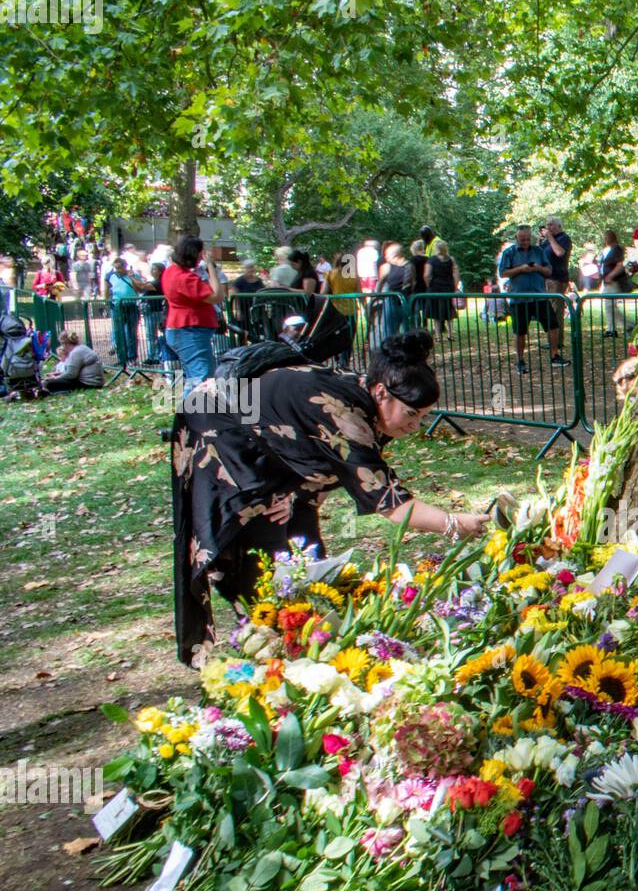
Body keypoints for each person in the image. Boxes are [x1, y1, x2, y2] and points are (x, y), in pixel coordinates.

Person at [170, 330, 489, 665]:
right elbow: (392, 505)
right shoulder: (347, 416)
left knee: (306, 548)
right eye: (412, 414)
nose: (416, 426)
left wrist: (294, 494)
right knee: (260, 551)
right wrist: (455, 524)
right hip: (220, 429)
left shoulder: (371, 405)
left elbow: (322, 458)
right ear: (381, 392)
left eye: (423, 416)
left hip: (265, 437)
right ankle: (267, 650)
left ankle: (306, 642)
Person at [163, 233, 224, 396]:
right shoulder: (184, 278)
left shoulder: (171, 271)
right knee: (202, 378)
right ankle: (192, 411)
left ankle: (189, 411)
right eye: (200, 253)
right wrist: (211, 267)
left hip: (185, 330)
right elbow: (217, 296)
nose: (201, 257)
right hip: (189, 332)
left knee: (195, 378)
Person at [498, 224, 559, 375]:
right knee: (520, 331)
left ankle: (555, 356)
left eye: (527, 239)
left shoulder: (538, 251)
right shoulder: (509, 252)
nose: (525, 242)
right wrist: (520, 269)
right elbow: (503, 273)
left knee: (553, 325)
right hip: (519, 298)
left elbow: (549, 271)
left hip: (540, 296)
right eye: (522, 239)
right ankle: (520, 361)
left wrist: (538, 268)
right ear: (516, 238)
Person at [539, 215, 572, 366]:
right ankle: (552, 340)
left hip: (557, 279)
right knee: (549, 311)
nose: (548, 227)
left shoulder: (564, 238)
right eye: (547, 225)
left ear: (558, 226)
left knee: (556, 310)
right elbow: (539, 254)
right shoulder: (547, 240)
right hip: (546, 279)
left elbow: (559, 253)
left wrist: (550, 238)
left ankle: (557, 341)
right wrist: (540, 241)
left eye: (551, 224)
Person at [103, 256, 144, 366]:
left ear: (125, 267)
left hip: (131, 305)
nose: (118, 270)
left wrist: (132, 278)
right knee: (118, 332)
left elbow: (140, 288)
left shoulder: (133, 275)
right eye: (116, 268)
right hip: (117, 307)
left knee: (131, 332)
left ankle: (132, 357)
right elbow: (106, 290)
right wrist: (106, 303)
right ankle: (122, 357)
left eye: (120, 268)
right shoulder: (111, 276)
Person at [326, 250, 361, 368]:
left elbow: (323, 292)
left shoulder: (330, 274)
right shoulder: (354, 276)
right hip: (351, 311)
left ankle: (336, 359)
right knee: (349, 337)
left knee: (336, 336)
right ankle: (344, 362)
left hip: (335, 310)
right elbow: (360, 294)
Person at [599, 228, 632, 336]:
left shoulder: (617, 249)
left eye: (606, 237)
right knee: (608, 306)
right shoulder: (610, 250)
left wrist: (610, 275)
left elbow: (620, 265)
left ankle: (629, 325)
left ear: (611, 238)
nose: (604, 239)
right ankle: (611, 329)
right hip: (608, 282)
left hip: (614, 282)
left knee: (610, 306)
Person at [424, 239, 459, 340]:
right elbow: (456, 274)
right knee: (449, 311)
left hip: (435, 288)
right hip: (448, 288)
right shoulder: (451, 259)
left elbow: (426, 275)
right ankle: (450, 334)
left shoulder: (431, 260)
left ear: (436, 248)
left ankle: (438, 336)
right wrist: (455, 286)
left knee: (436, 312)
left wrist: (428, 285)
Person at [377, 243, 411, 339]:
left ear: (394, 255)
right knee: (406, 331)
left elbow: (380, 284)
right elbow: (411, 283)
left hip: (393, 301)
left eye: (387, 254)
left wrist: (378, 296)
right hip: (405, 300)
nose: (385, 257)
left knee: (389, 331)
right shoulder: (410, 266)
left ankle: (389, 346)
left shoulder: (387, 267)